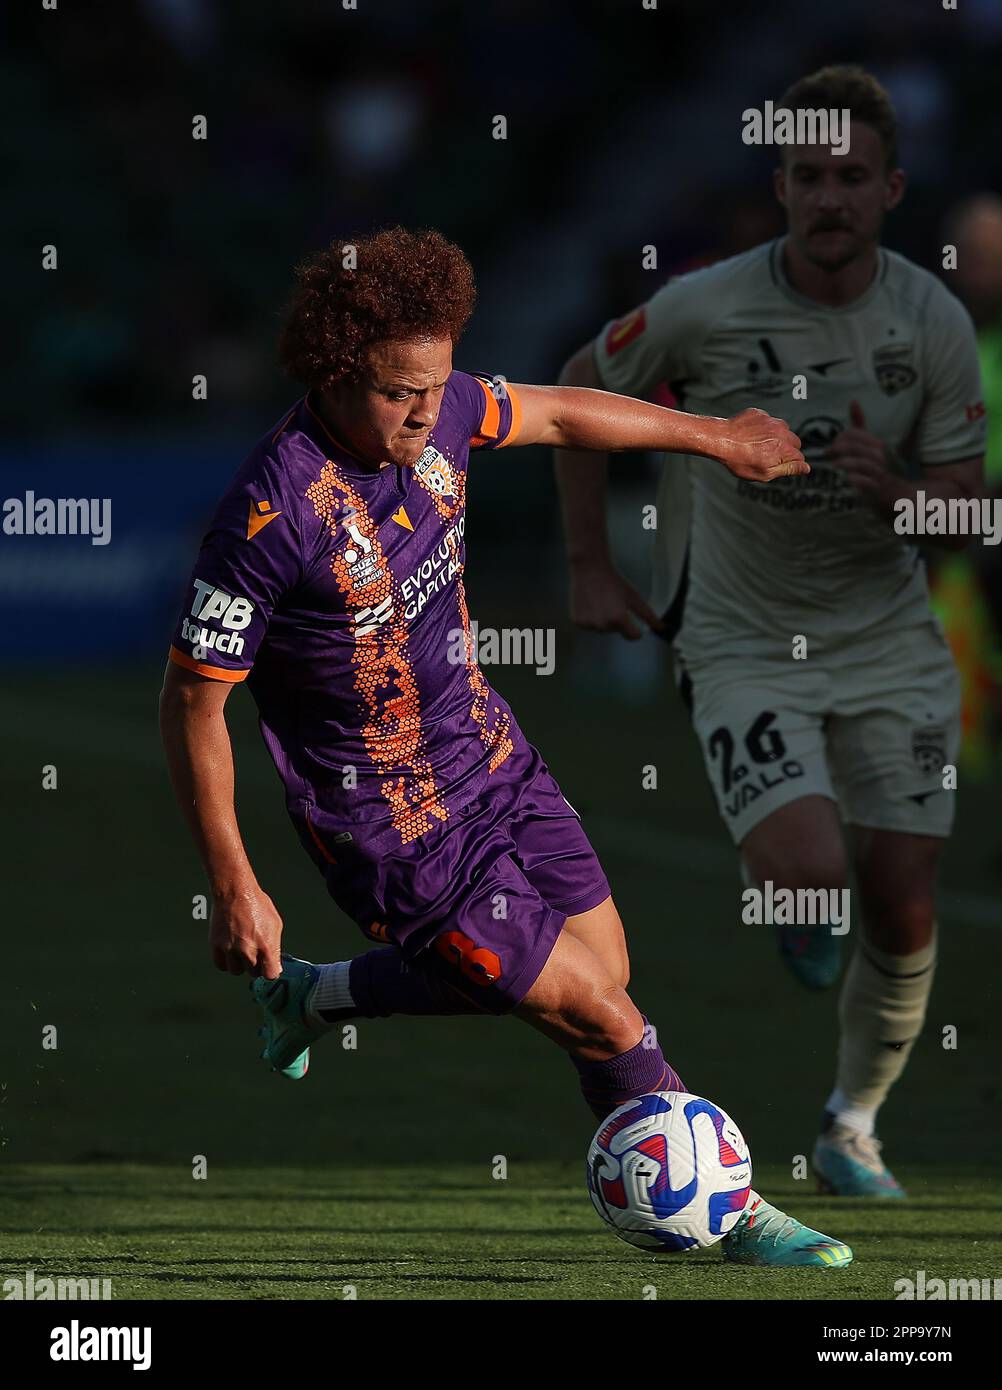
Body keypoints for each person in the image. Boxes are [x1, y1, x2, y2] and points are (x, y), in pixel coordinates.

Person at [159, 225, 849, 1265]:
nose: (429, 409)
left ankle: (318, 994)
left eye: (437, 383)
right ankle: (731, 1213)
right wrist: (234, 878)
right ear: (340, 372)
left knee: (603, 966)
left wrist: (717, 438)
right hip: (393, 829)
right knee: (608, 1018)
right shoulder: (269, 515)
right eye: (400, 391)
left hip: (494, 760)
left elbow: (564, 410)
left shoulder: (446, 413)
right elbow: (193, 700)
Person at [555, 67, 987, 1198]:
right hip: (743, 637)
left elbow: (969, 514)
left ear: (892, 189)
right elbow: (573, 389)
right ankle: (802, 916)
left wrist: (894, 493)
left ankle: (853, 1124)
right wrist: (592, 565)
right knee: (804, 875)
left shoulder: (932, 321)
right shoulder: (704, 306)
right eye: (809, 177)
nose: (830, 197)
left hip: (887, 632)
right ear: (780, 185)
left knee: (903, 889)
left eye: (853, 178)